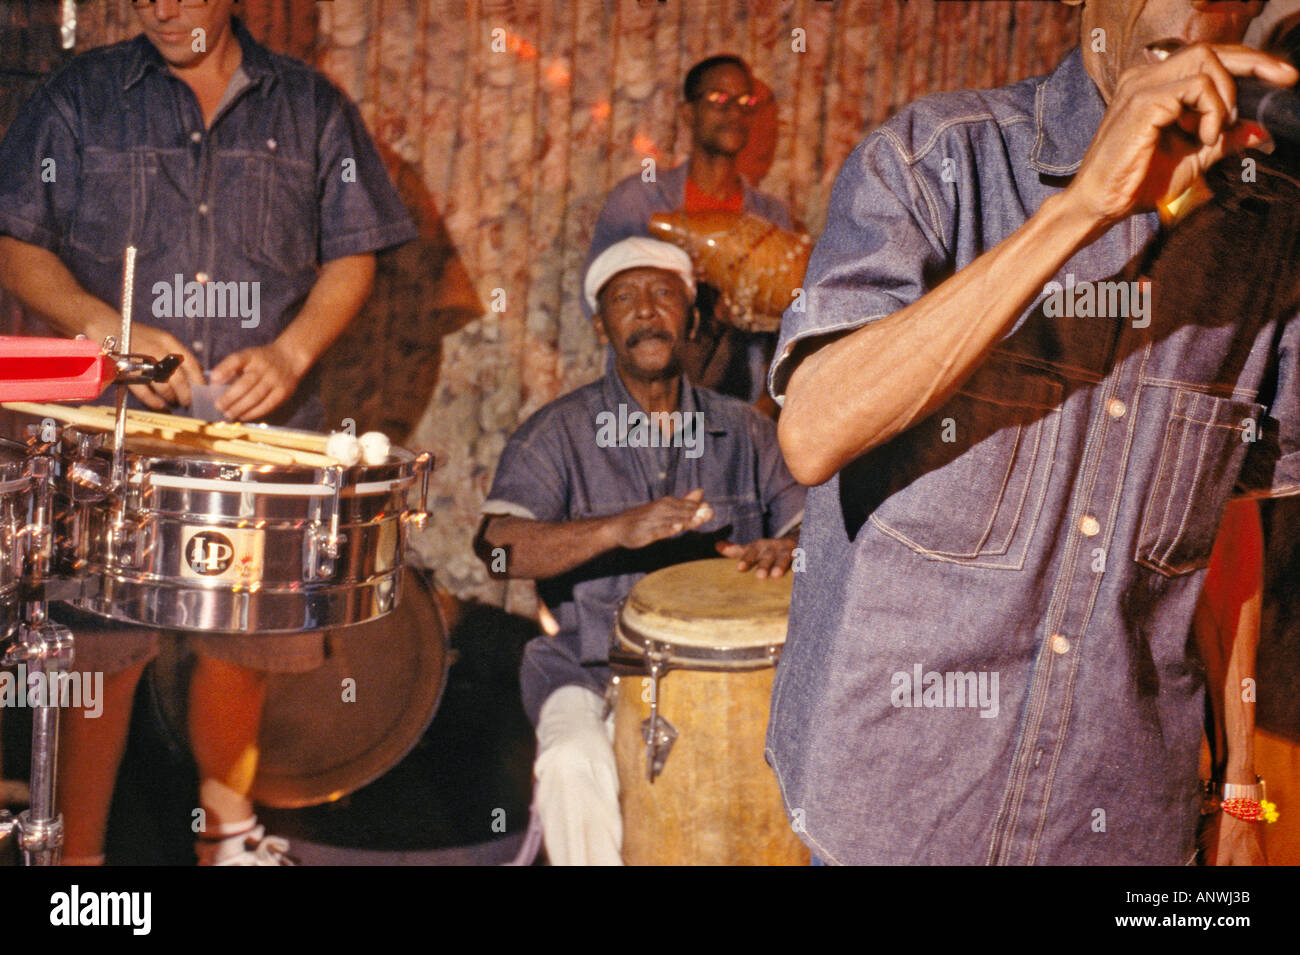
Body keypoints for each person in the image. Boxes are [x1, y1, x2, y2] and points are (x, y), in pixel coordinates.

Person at [768, 0, 1300, 865]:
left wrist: (1241, 777)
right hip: (900, 810)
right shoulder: (937, 156)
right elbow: (816, 429)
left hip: (1114, 817)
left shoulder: (1270, 235)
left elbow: (1234, 519)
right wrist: (1084, 208)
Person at [0, 0, 416, 864]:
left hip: (254, 431)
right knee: (98, 648)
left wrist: (293, 352)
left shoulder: (310, 106)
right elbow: (17, 243)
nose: (161, 6)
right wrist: (99, 326)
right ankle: (76, 863)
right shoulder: (79, 96)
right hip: (113, 424)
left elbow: (355, 251)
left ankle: (226, 837)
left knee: (244, 640)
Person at [476, 237, 805, 865]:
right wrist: (614, 529)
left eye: (663, 295)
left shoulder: (748, 431)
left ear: (693, 317)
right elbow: (496, 552)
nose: (647, 311)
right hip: (590, 666)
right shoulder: (558, 432)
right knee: (573, 761)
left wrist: (785, 549)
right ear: (601, 324)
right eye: (625, 299)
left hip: (736, 679)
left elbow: (814, 531)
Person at [584, 55, 793, 405]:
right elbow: (596, 300)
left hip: (737, 403)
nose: (734, 113)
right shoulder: (641, 199)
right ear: (687, 113)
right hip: (646, 404)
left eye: (746, 102)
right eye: (718, 100)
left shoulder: (770, 216)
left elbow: (790, 327)